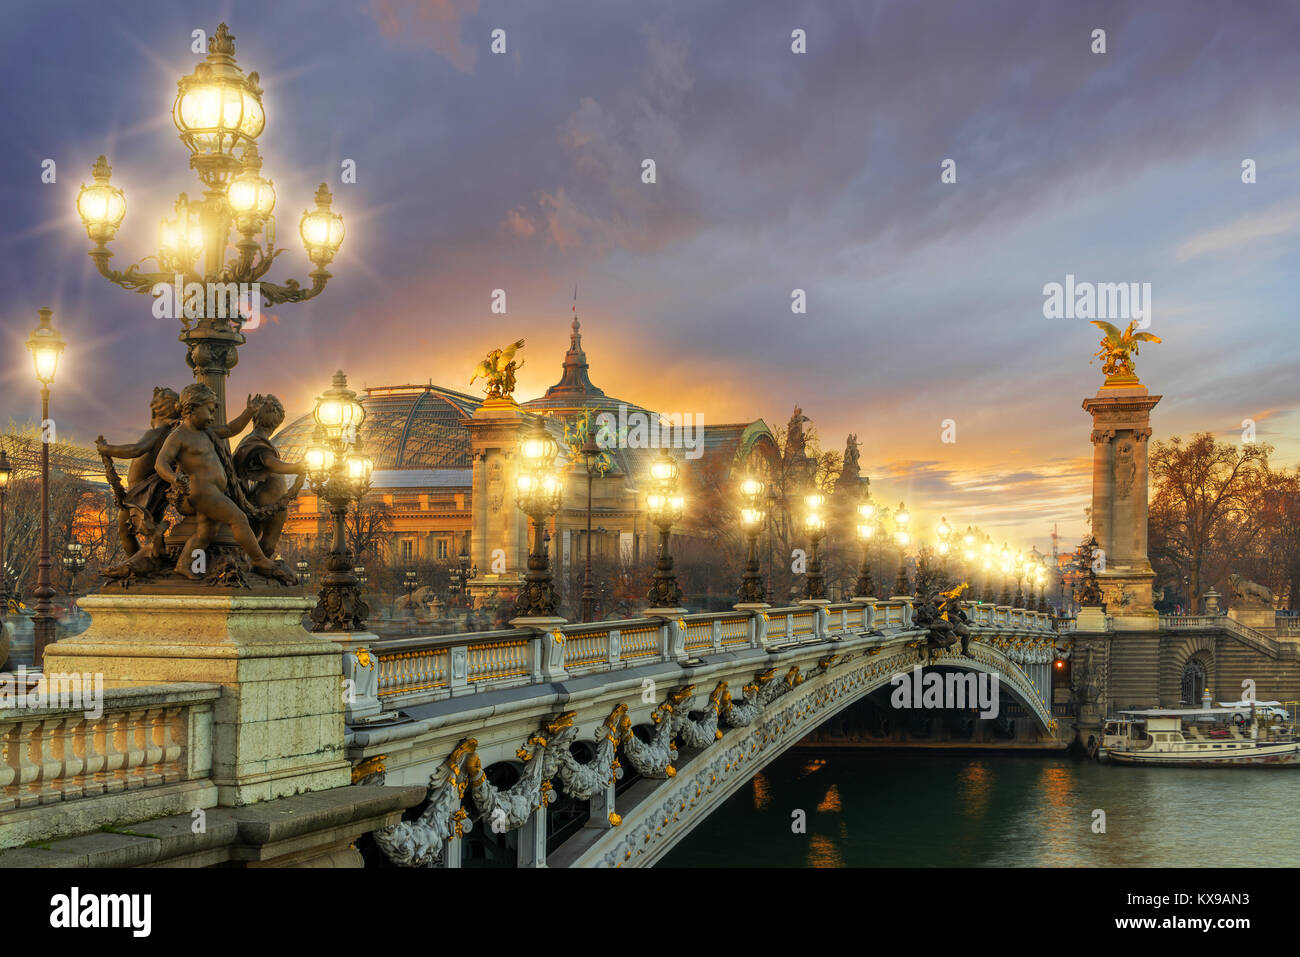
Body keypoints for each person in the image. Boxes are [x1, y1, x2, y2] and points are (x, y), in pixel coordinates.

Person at [155, 384, 292, 583]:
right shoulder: (179, 435)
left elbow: (230, 429)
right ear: (192, 407)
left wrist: (248, 412)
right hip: (202, 492)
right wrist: (174, 478)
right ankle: (259, 559)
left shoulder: (206, 431)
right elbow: (161, 463)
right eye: (210, 410)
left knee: (206, 532)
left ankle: (183, 563)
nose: (212, 417)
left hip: (213, 492)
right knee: (239, 518)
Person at [232, 395, 305, 559]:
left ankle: (250, 564)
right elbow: (271, 463)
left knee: (252, 540)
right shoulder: (257, 440)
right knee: (267, 545)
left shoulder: (252, 439)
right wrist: (296, 467)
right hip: (269, 497)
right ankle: (255, 565)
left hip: (259, 496)